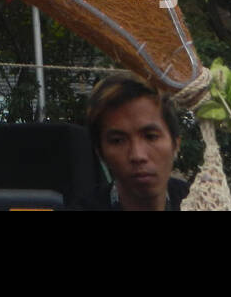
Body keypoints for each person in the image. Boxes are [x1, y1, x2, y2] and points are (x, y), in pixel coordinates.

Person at [75, 71, 188, 210]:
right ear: (100, 152)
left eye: (151, 136)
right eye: (118, 141)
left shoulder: (206, 203)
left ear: (175, 144)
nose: (137, 155)